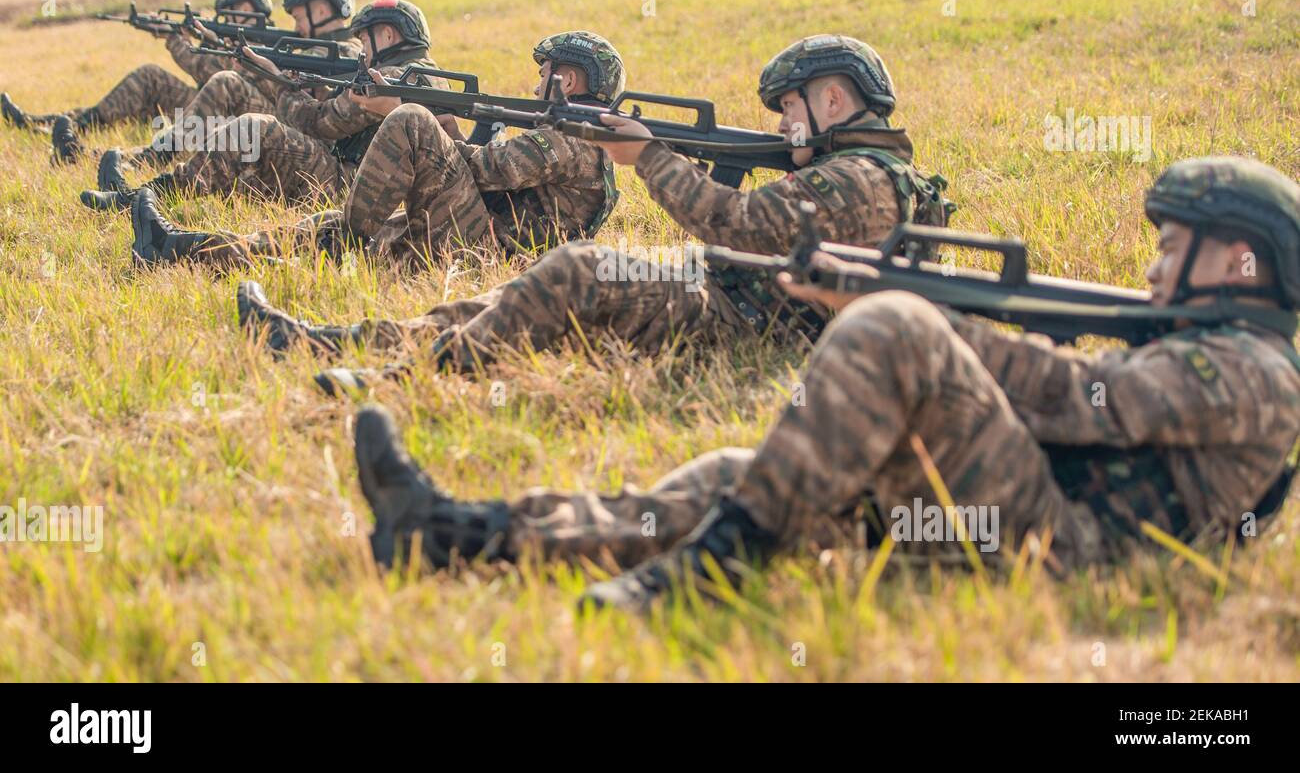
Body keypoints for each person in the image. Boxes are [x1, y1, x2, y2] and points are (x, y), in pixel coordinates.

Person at [345, 154, 1300, 611]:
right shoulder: (1207, 345)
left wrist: (924, 321)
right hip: (1015, 512)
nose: (1150, 271)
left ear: (1235, 259)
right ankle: (456, 534)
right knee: (737, 470)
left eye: (1169, 249)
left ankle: (710, 571)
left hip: (1074, 550)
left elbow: (1081, 405)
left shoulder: (1260, 371)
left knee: (894, 326)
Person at [234, 35, 951, 396]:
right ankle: (343, 340)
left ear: (831, 101)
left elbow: (738, 222)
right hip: (737, 296)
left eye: (791, 108)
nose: (788, 125)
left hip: (752, 319)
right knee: (519, 294)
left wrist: (650, 157)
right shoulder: (862, 173)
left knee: (574, 272)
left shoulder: (860, 178)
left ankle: (403, 378)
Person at [125, 31, 624, 269]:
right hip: (476, 233)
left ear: (570, 79)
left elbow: (485, 170)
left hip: (482, 251)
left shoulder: (572, 140)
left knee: (409, 123)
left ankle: (347, 240)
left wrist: (418, 119)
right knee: (316, 231)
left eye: (545, 74)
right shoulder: (576, 138)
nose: (536, 84)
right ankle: (182, 250)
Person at [79, 0, 439, 215]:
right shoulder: (420, 75)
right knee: (242, 154)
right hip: (352, 178)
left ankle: (154, 192)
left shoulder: (390, 77)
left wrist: (276, 78)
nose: (362, 50)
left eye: (366, 40)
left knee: (254, 129)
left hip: (349, 184)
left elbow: (317, 123)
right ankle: (154, 180)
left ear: (388, 35)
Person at [0, 0, 273, 164]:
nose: (235, 19)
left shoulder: (266, 46)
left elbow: (212, 72)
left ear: (261, 14)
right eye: (230, 14)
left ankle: (107, 158)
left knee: (170, 138)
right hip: (209, 105)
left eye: (243, 13)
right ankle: (65, 122)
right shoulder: (232, 41)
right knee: (149, 76)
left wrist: (175, 40)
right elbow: (206, 75)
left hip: (235, 120)